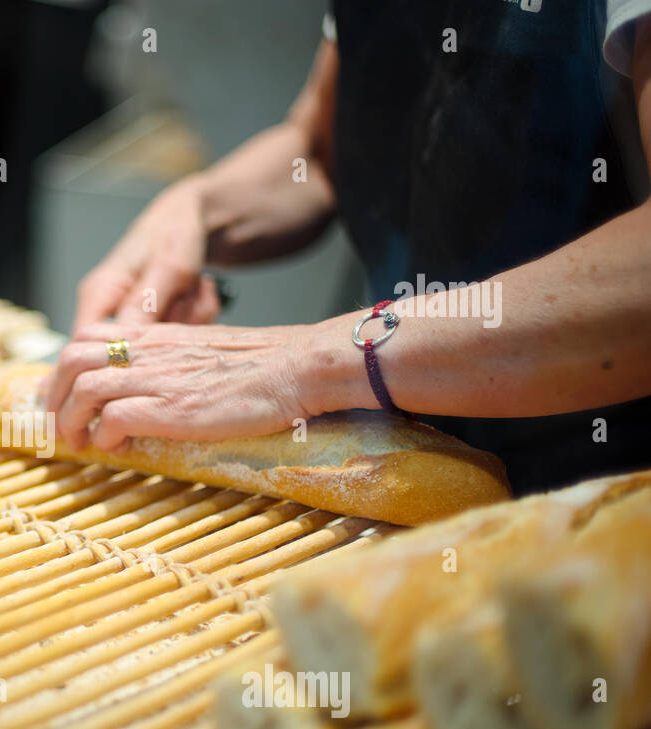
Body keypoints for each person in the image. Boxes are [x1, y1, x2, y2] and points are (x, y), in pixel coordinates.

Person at [48, 1, 651, 494]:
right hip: (404, 459)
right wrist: (197, 208)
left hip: (600, 494)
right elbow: (314, 151)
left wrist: (306, 363)